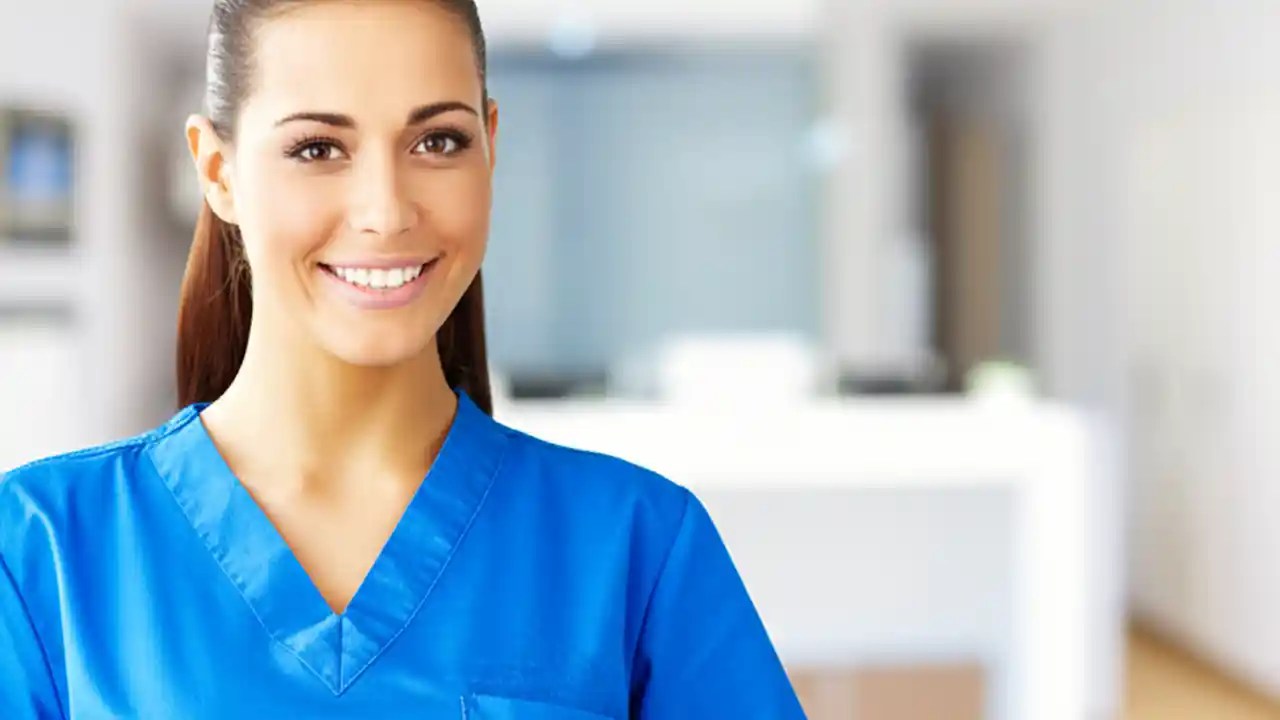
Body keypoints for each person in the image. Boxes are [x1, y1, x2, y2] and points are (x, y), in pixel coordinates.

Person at [0, 1, 807, 717]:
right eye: (317, 149)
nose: (385, 210)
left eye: (437, 140)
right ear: (218, 171)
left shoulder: (636, 548)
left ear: (490, 147)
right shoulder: (41, 553)